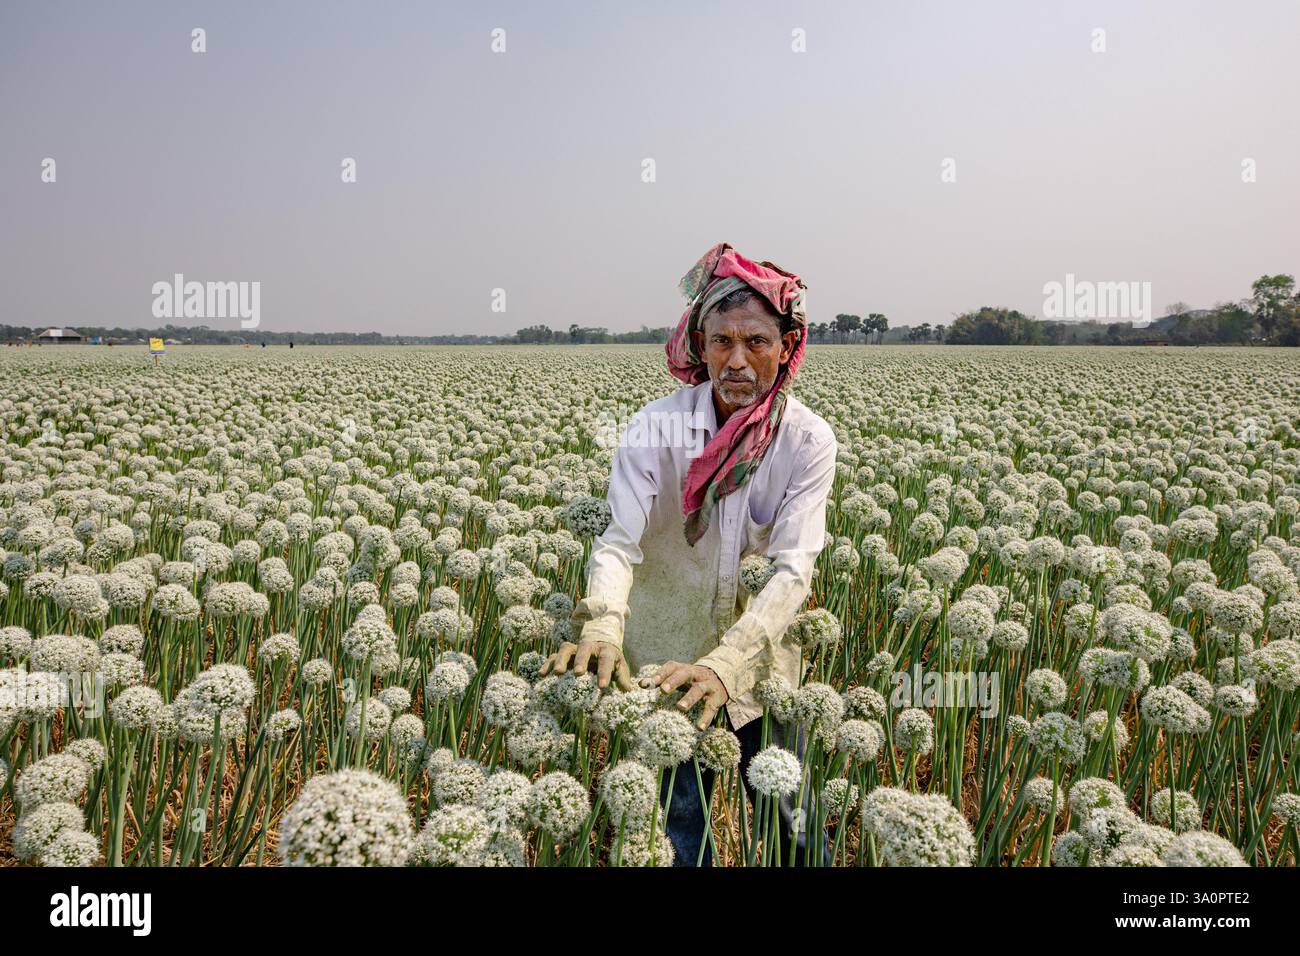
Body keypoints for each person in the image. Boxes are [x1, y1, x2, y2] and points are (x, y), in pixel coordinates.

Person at [542, 241, 837, 865]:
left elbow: (792, 571)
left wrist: (728, 665)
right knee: (680, 831)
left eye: (756, 341)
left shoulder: (807, 441)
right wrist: (602, 625)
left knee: (792, 828)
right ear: (699, 347)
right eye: (721, 340)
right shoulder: (655, 427)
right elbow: (618, 542)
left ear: (786, 348)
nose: (737, 359)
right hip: (670, 666)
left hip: (761, 668)